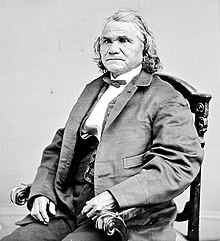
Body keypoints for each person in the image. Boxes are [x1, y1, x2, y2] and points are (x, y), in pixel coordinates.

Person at [1, 9, 203, 241]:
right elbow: (60, 147)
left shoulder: (166, 98)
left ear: (144, 48)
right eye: (107, 40)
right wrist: (42, 192)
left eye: (124, 40)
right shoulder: (93, 89)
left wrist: (113, 198)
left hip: (124, 215)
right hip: (69, 205)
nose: (113, 48)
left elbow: (179, 162)